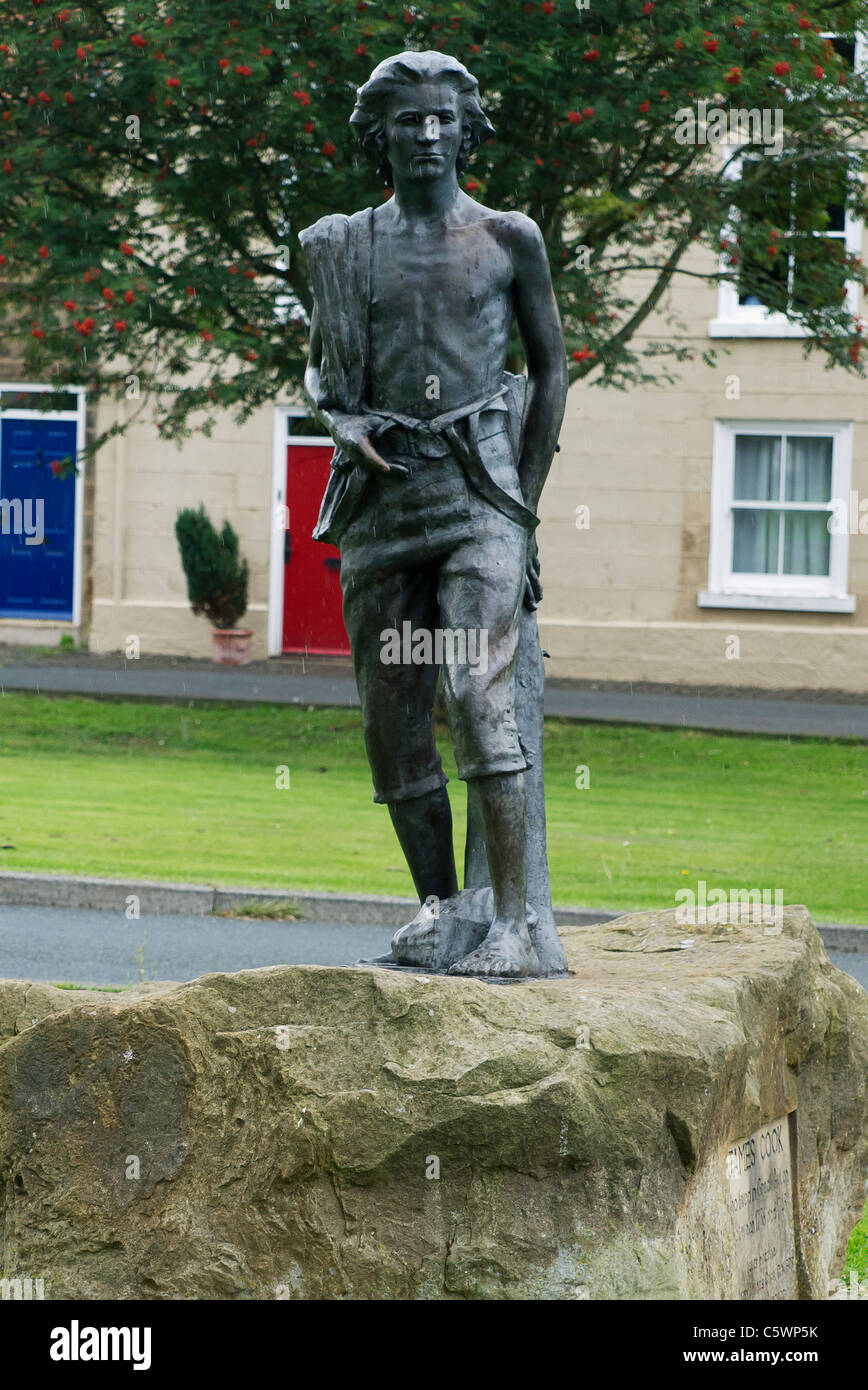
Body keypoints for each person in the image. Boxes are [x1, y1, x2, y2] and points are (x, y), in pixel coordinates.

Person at [300, 51, 567, 977]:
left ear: (465, 128)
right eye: (408, 120)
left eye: (442, 119)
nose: (426, 135)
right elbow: (321, 369)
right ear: (380, 133)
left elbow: (550, 368)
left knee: (474, 690)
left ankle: (517, 923)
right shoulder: (338, 243)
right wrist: (339, 419)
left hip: (479, 494)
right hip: (380, 501)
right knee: (392, 723)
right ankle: (440, 909)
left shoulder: (508, 238)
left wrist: (523, 510)